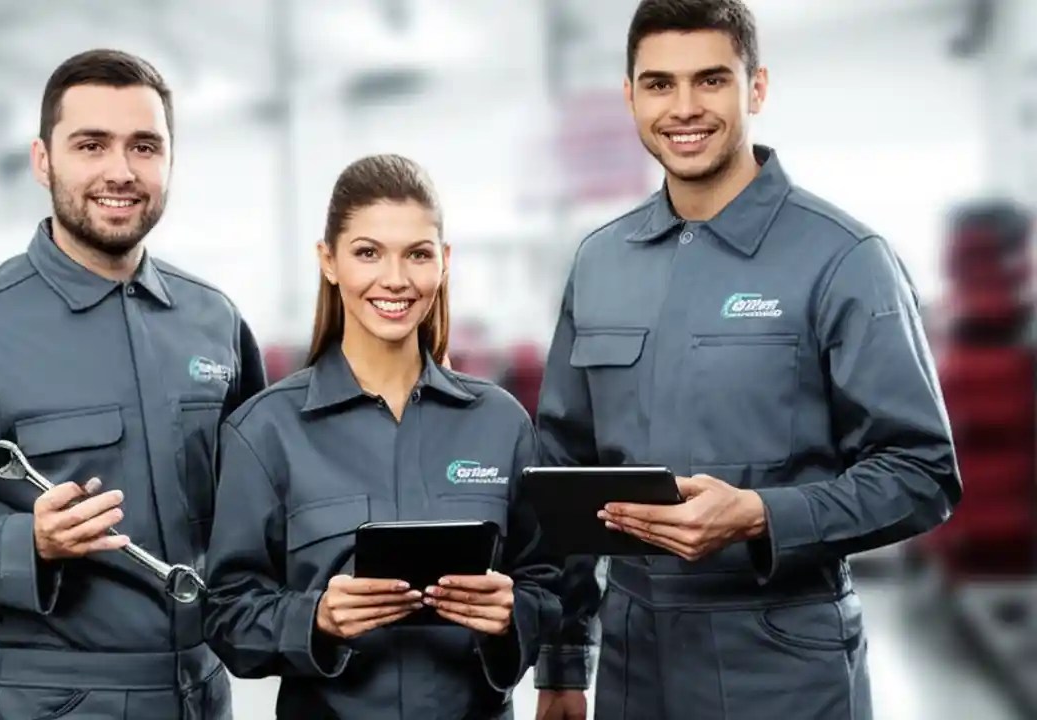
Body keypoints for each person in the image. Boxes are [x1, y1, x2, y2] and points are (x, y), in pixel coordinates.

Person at [531, 2, 962, 719]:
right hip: (636, 664)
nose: (685, 108)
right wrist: (563, 662)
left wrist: (763, 515)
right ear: (630, 96)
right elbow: (564, 476)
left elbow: (921, 473)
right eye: (660, 84)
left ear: (755, 88)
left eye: (711, 80)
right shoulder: (599, 263)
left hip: (784, 657)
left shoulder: (845, 261)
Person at [0, 49, 265, 720]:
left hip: (203, 691)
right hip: (56, 700)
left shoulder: (214, 319)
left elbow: (262, 502)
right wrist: (28, 544)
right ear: (44, 161)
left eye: (144, 146)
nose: (120, 171)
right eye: (90, 145)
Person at [201, 154, 561, 719]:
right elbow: (226, 612)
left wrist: (511, 616)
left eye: (417, 254)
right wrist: (315, 620)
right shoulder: (265, 431)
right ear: (329, 261)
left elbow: (544, 582)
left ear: (443, 263)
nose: (395, 280)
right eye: (368, 252)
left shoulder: (502, 423)